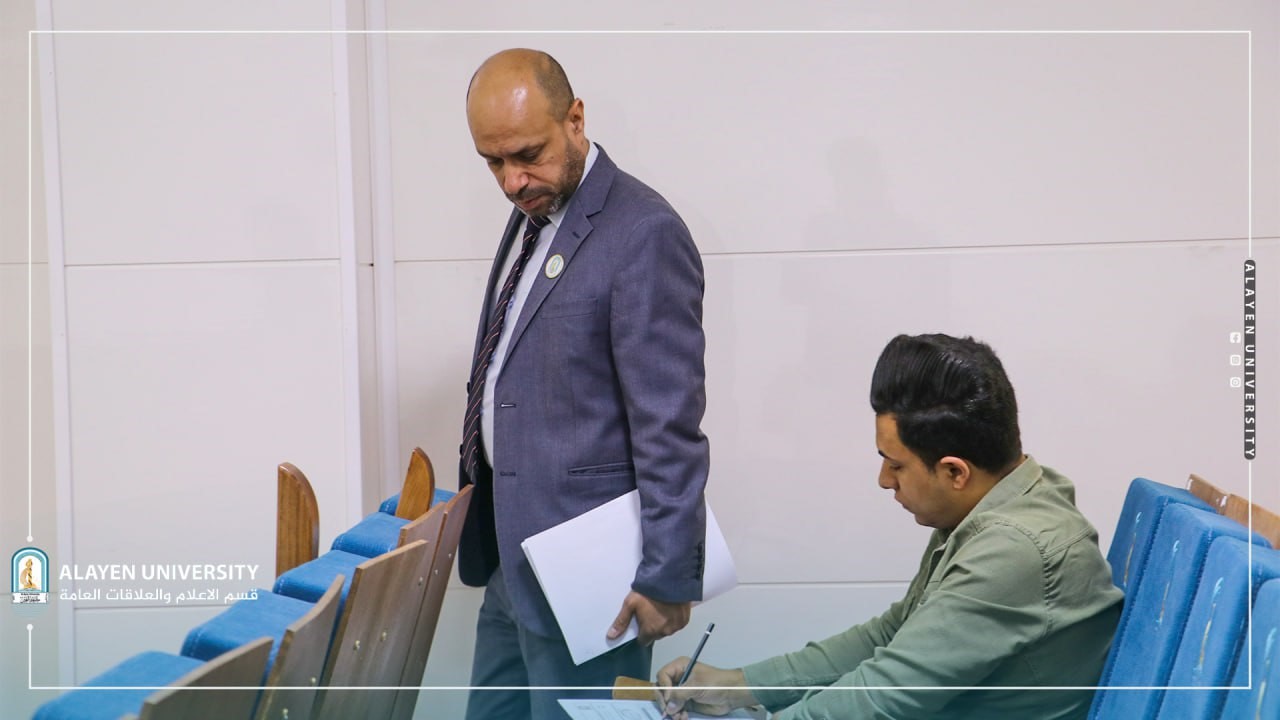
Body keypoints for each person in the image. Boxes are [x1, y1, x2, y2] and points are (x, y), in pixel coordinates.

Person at [657, 334, 1123, 720]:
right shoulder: (998, 505)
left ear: (955, 472)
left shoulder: (1015, 549)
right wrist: (739, 686)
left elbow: (883, 694)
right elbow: (891, 636)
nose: (884, 481)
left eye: (895, 466)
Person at [457, 48, 710, 720]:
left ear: (575, 119)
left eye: (527, 153)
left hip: (591, 576)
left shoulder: (643, 232)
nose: (512, 180)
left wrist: (666, 574)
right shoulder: (536, 211)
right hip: (515, 562)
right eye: (493, 162)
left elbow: (668, 422)